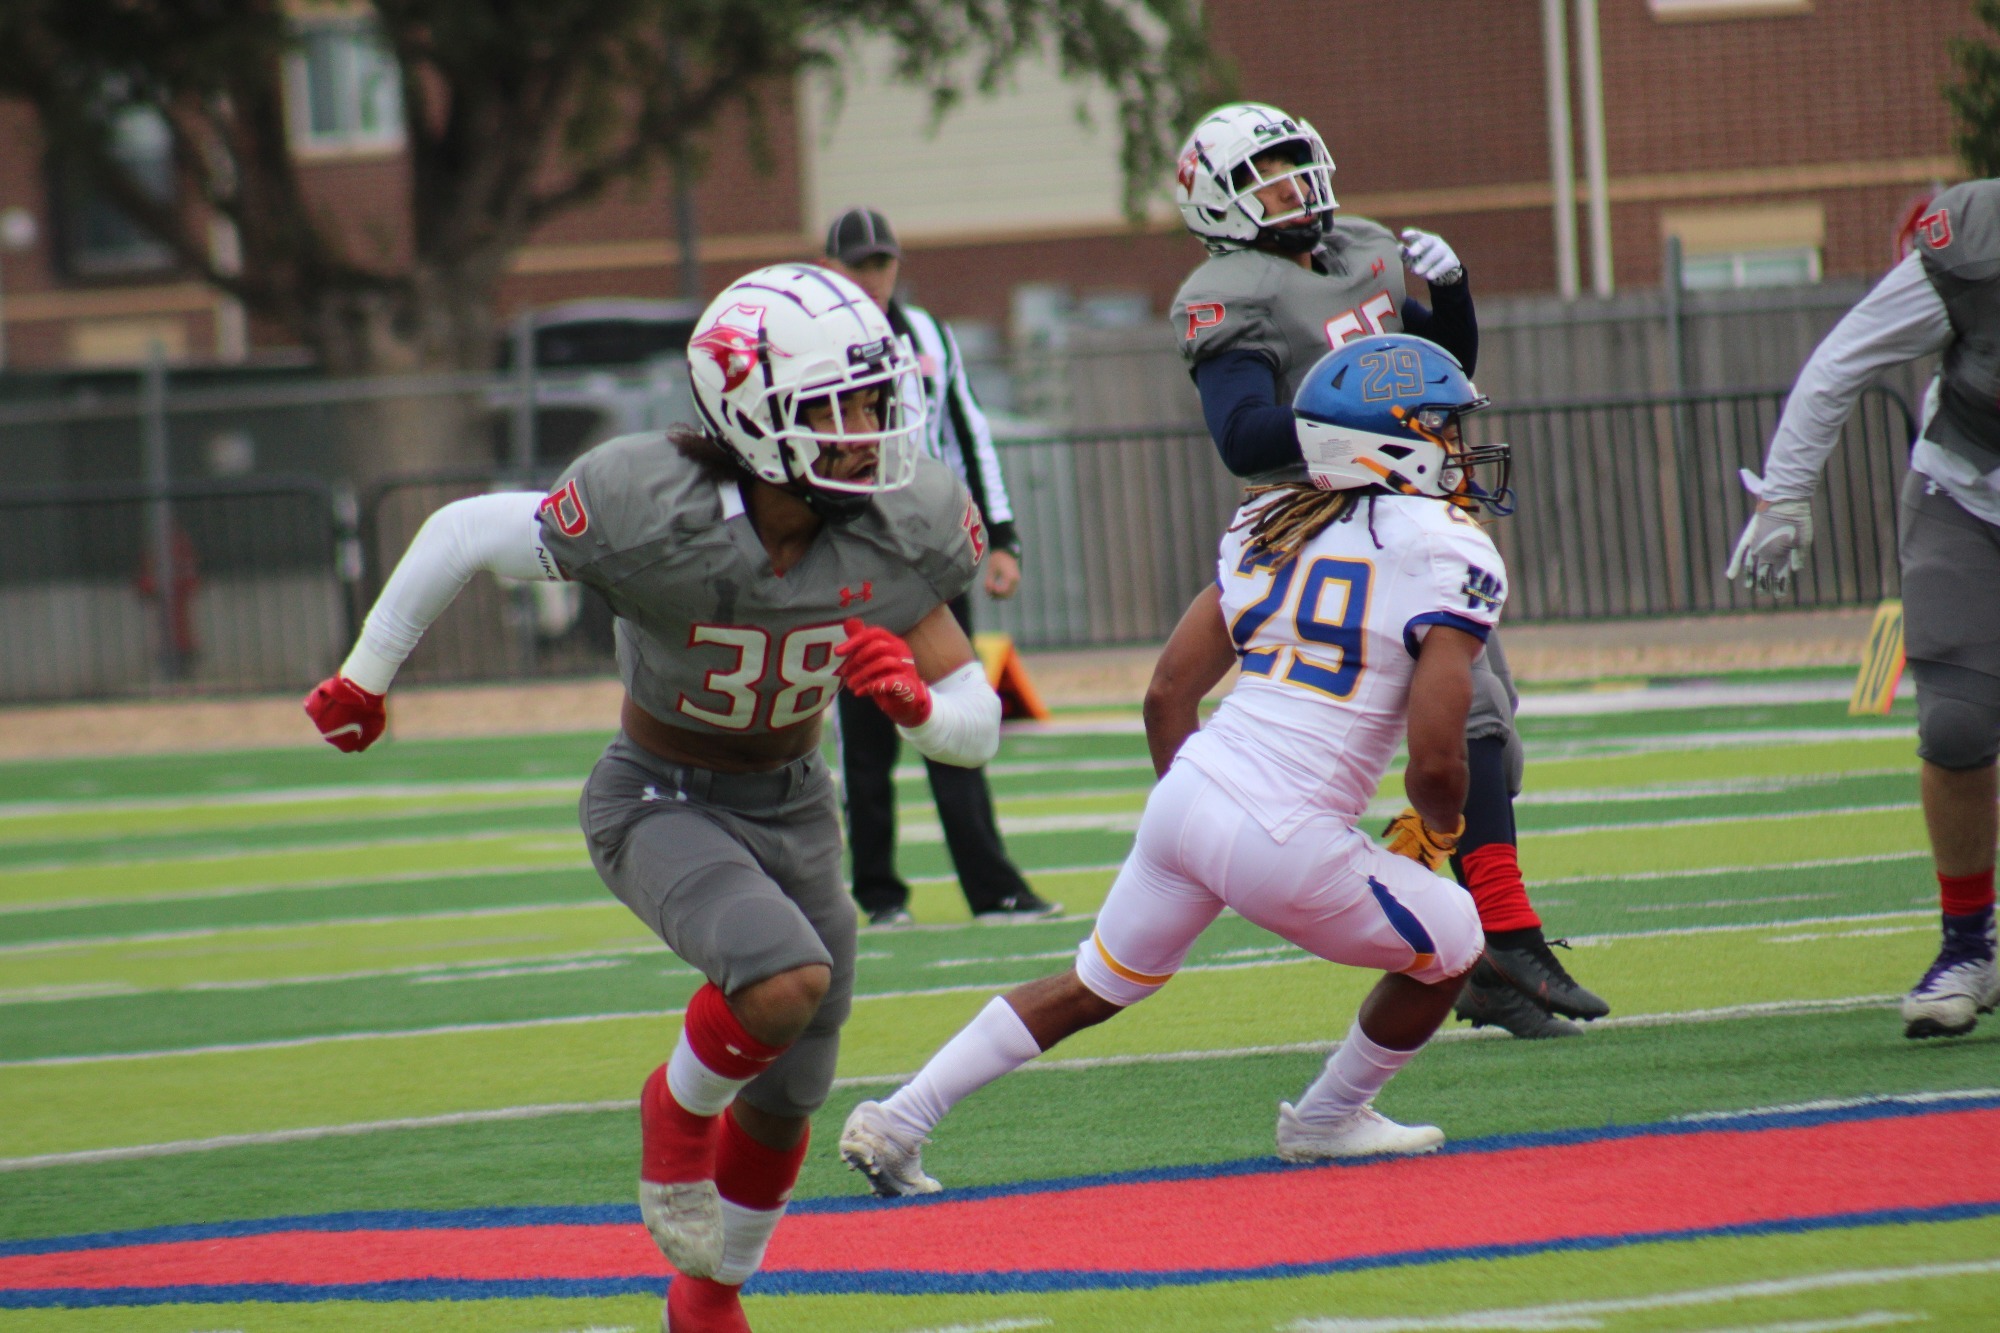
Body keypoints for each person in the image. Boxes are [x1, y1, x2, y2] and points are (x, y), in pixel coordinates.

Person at [303, 263, 1000, 1332]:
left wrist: (917, 709)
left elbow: (975, 718)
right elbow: (460, 534)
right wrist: (366, 675)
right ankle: (671, 1113)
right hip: (660, 794)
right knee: (780, 975)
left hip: (795, 802)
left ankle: (709, 1293)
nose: (869, 430)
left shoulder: (897, 522)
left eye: (874, 400)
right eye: (839, 408)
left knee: (794, 1085)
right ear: (753, 412)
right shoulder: (647, 506)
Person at [838, 333, 1505, 1196]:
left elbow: (1166, 695)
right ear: (1389, 439)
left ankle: (899, 1117)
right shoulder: (1444, 545)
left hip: (1194, 792)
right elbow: (1438, 757)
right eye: (1442, 426)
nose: (1457, 446)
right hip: (1283, 829)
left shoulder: (1271, 517)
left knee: (1091, 983)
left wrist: (1199, 823)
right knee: (1454, 938)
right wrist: (1442, 826)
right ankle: (1329, 1115)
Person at [1167, 100, 1607, 1039]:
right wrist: (1361, 428)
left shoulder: (1354, 254)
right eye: (1269, 179)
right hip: (1318, 518)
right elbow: (1244, 436)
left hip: (1398, 500)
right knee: (1470, 709)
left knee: (1493, 736)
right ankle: (1505, 929)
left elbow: (1437, 375)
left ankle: (1482, 965)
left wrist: (1451, 302)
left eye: (1299, 169)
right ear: (1220, 201)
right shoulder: (1231, 292)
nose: (1296, 191)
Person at [1727, 178, 2000, 1041]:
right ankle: (1967, 944)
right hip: (1969, 492)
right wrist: (1785, 495)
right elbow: (1843, 357)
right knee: (1957, 724)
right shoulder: (1978, 238)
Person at [820, 206, 1061, 926]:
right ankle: (879, 894)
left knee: (957, 717)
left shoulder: (926, 333)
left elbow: (967, 431)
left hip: (926, 553)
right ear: (829, 268)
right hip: (849, 553)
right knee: (863, 735)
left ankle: (992, 888)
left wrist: (1004, 536)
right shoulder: (814, 342)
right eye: (855, 264)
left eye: (879, 263)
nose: (870, 277)